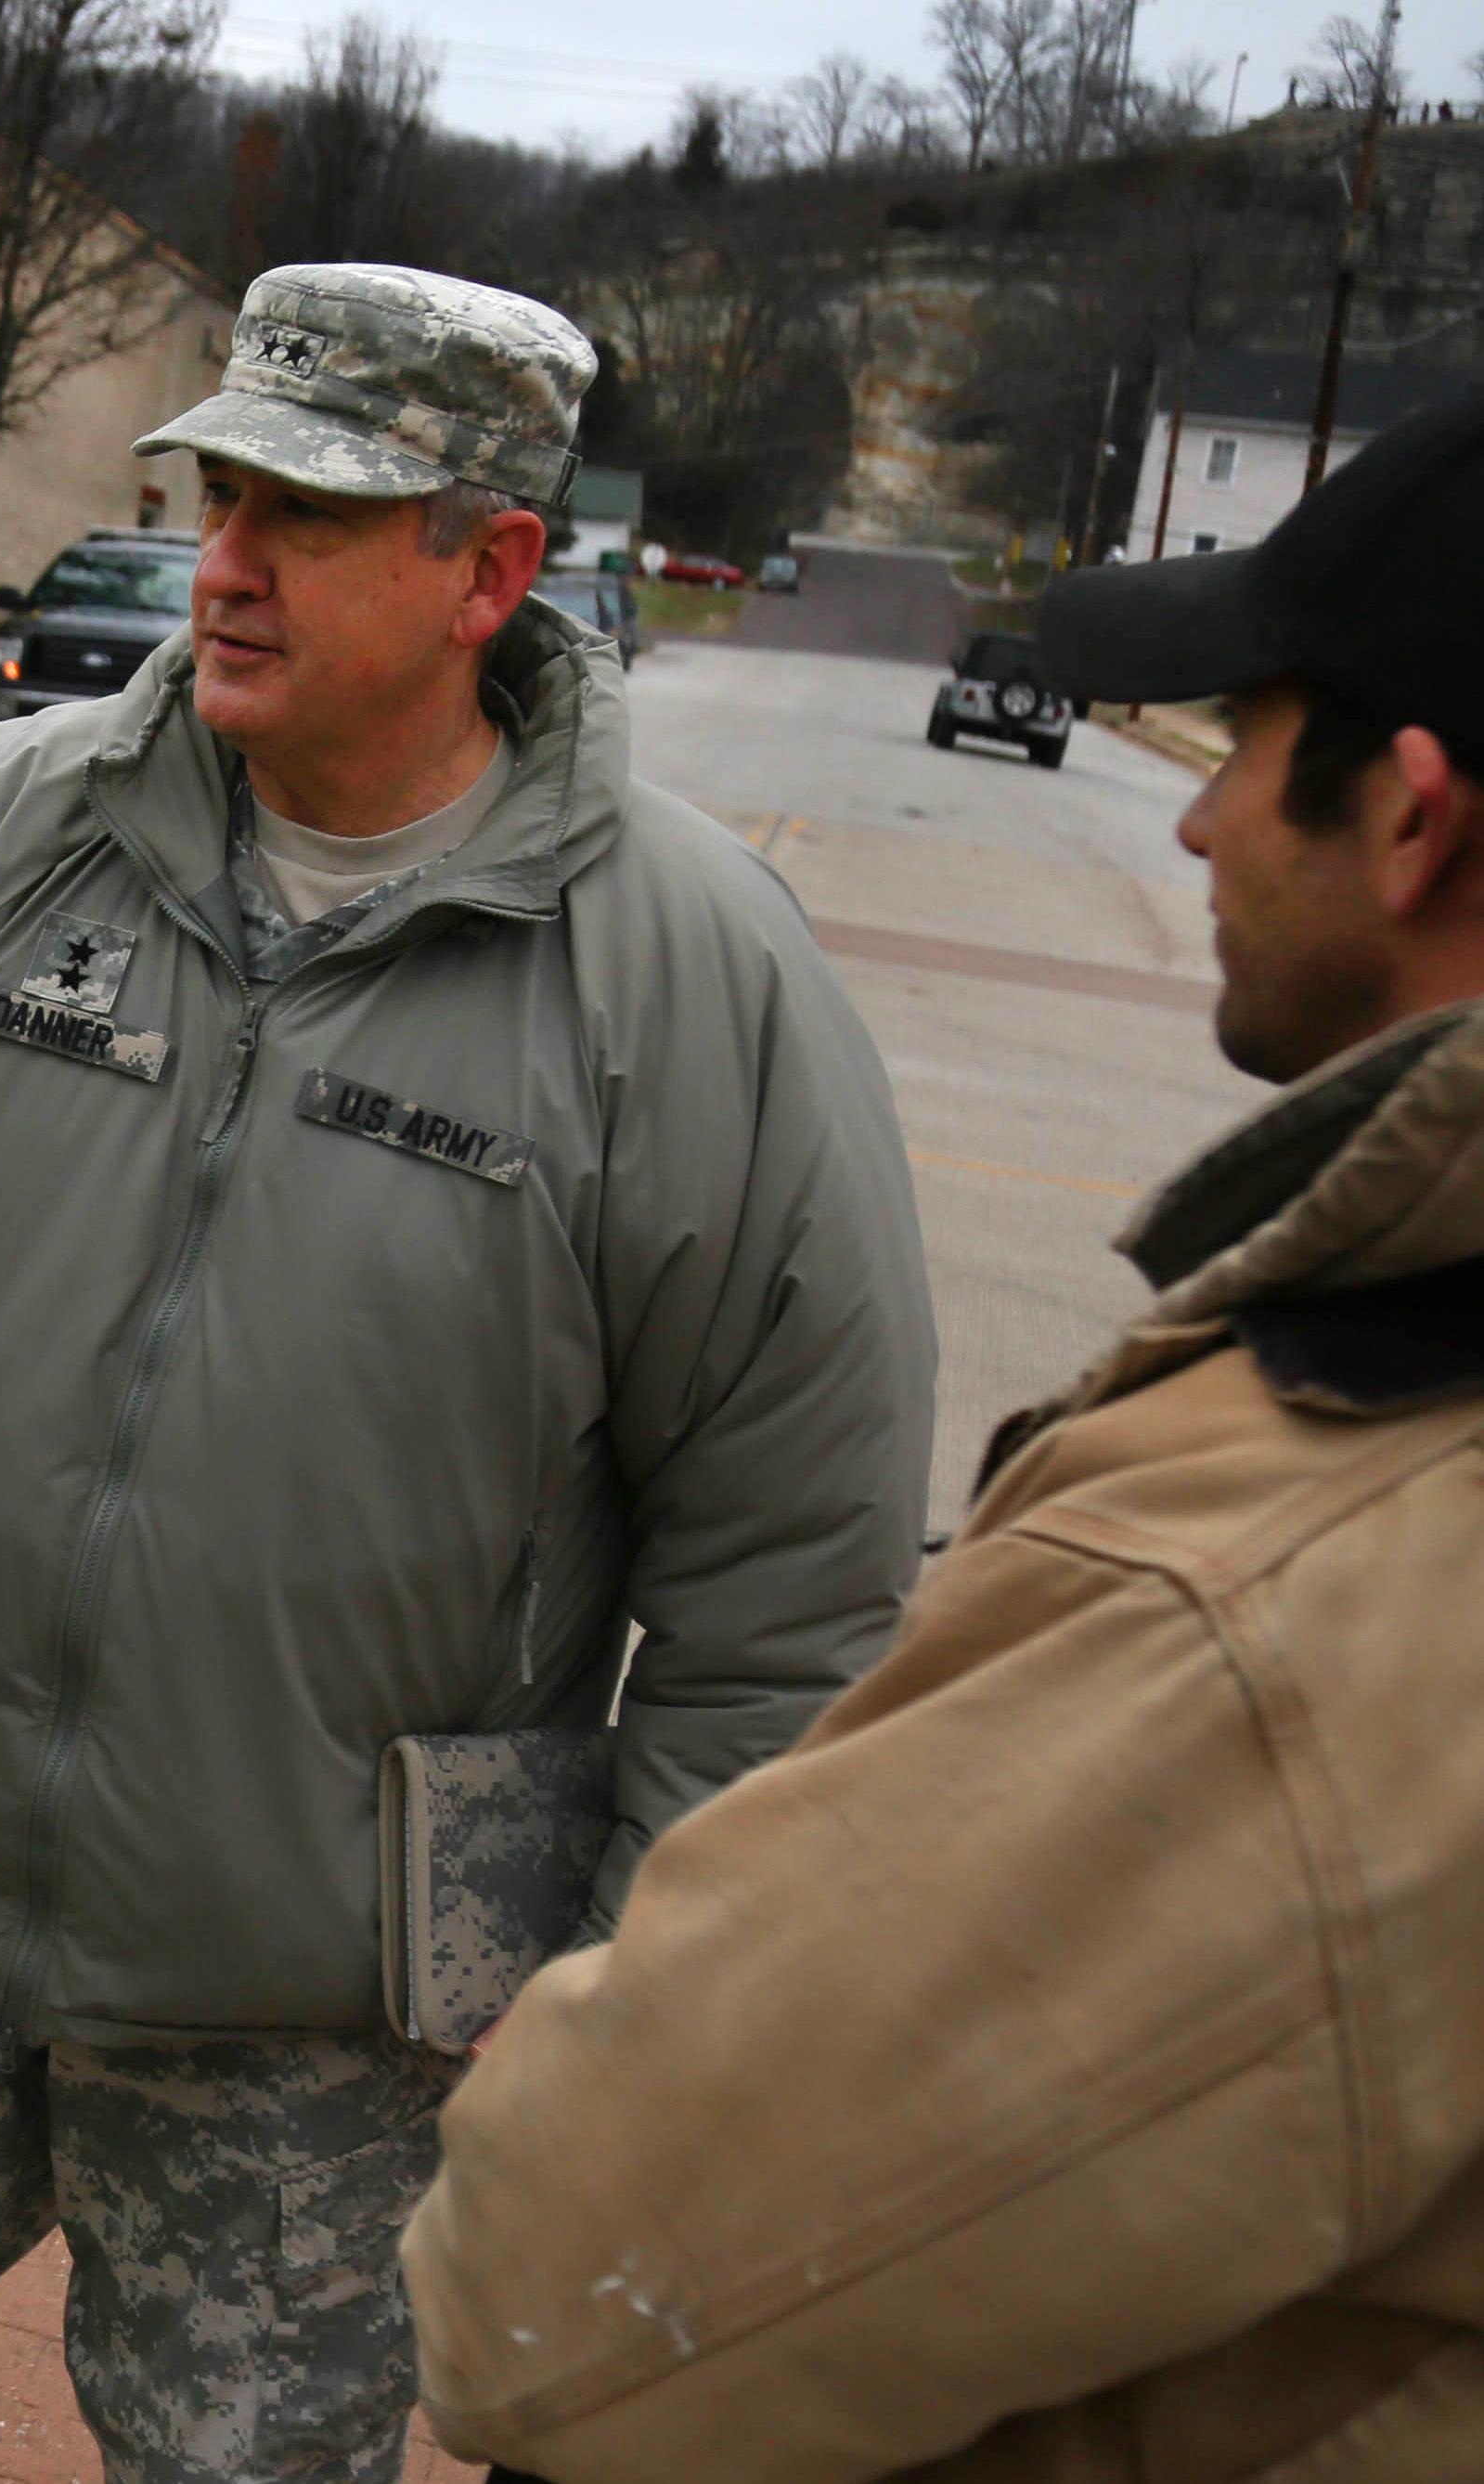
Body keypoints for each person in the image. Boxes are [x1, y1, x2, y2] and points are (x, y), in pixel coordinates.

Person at [0, 262, 936, 2482]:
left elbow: (788, 1598)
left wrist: (631, 2028)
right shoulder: (22, 831)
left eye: (301, 517)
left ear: (489, 566)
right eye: (220, 495)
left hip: (317, 2033)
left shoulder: (689, 988)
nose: (222, 564)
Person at [402, 389, 1484, 2481]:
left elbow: (564, 2276)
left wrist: (575, 2069)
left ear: (1414, 814)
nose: (1192, 823)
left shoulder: (1295, 1578)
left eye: (1249, 743)